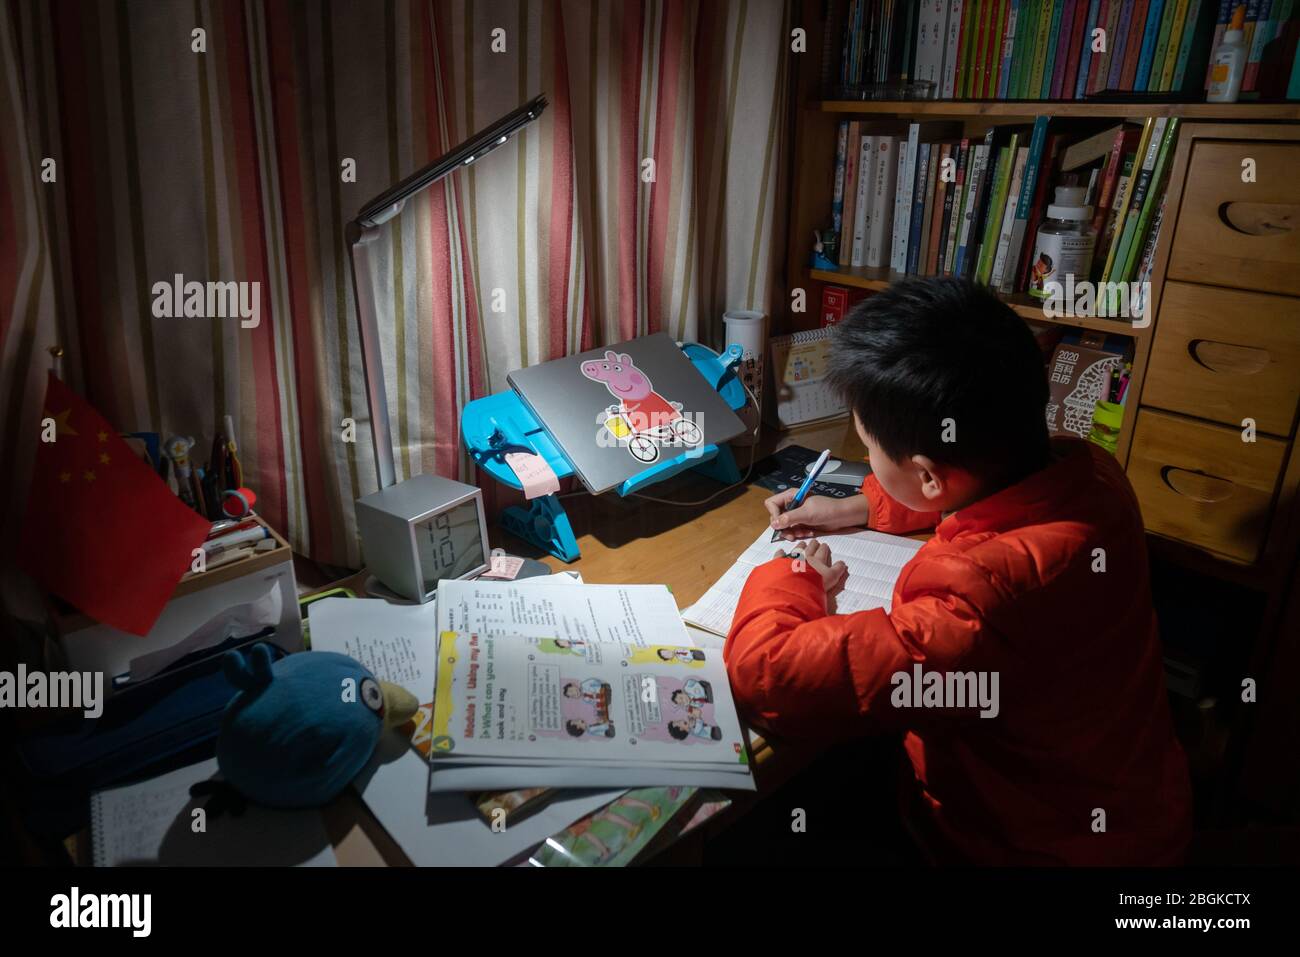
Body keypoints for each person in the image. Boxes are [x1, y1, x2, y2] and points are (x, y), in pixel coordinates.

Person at [724, 277, 1191, 866]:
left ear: (927, 474)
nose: (867, 458)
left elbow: (770, 675)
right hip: (1133, 800)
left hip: (1029, 847)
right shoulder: (1090, 471)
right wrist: (856, 506)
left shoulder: (979, 600)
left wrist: (794, 575)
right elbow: (963, 493)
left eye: (868, 447)